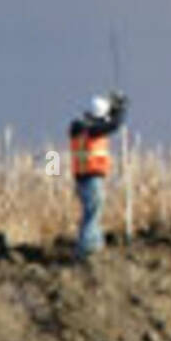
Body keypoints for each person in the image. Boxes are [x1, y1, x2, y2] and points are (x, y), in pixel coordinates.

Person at [68, 91, 127, 260]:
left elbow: (108, 125)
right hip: (90, 177)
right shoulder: (91, 130)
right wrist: (120, 111)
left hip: (83, 177)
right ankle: (87, 249)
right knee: (92, 213)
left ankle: (95, 245)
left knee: (92, 212)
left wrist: (114, 112)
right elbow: (113, 126)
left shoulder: (79, 127)